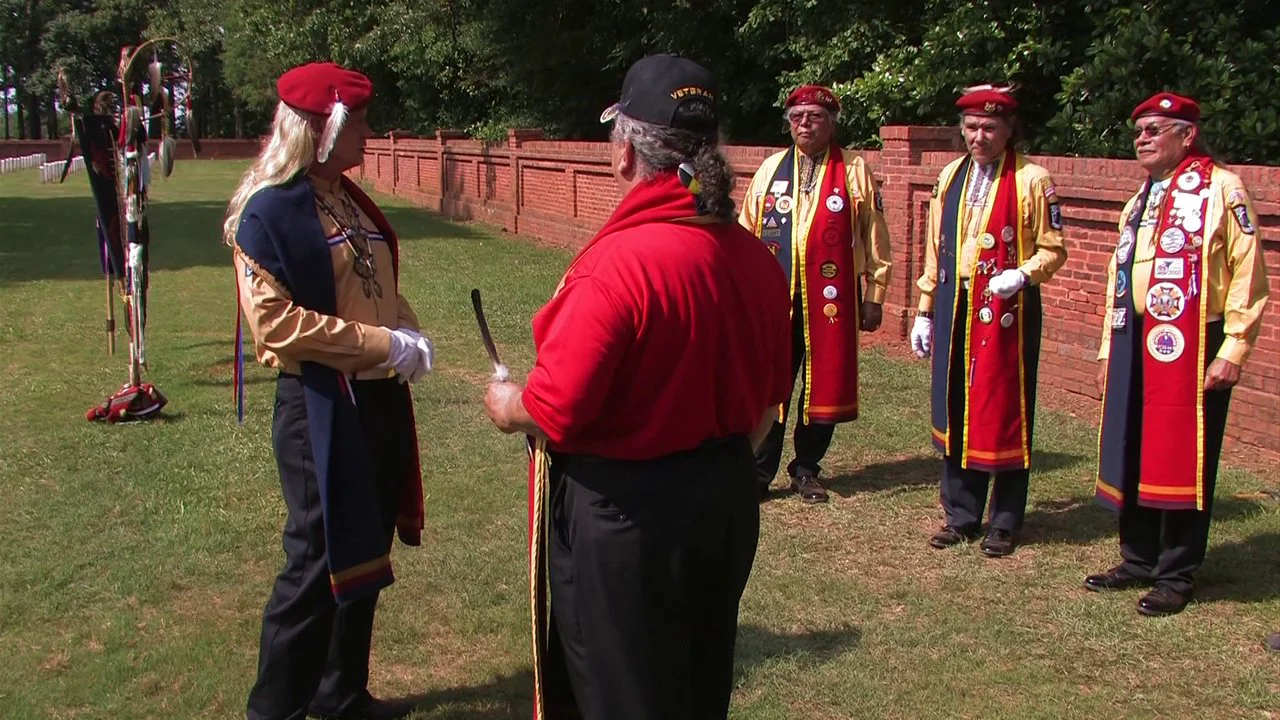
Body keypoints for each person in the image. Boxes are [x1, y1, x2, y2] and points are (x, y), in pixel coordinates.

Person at [481, 54, 791, 720]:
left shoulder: (618, 266)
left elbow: (556, 408)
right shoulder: (755, 260)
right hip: (725, 499)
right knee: (697, 684)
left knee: (624, 698)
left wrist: (509, 406)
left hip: (628, 518)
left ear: (625, 154)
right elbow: (768, 408)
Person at [227, 61, 434, 720]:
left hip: (376, 400)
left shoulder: (350, 198)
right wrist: (382, 345)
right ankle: (274, 711)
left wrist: (409, 330)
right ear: (325, 127)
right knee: (315, 563)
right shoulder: (269, 212)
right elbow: (275, 324)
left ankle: (340, 694)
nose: (370, 134)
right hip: (317, 405)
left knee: (364, 550)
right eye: (361, 121)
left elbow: (380, 287)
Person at [1088, 92, 1270, 617]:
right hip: (1133, 339)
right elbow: (1117, 280)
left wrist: (1233, 349)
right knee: (1132, 445)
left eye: (1154, 129)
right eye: (1138, 131)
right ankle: (1137, 557)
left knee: (1184, 455)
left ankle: (1176, 572)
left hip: (1194, 342)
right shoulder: (1139, 198)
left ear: (1187, 135)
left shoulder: (1221, 190)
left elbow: (1247, 275)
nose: (1140, 139)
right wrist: (1106, 348)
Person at [911, 85, 1067, 557]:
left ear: (1008, 130)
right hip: (955, 303)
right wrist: (924, 309)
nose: (979, 136)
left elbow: (1053, 247)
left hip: (1007, 310)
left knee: (1004, 406)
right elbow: (935, 246)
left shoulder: (1034, 180)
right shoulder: (950, 175)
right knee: (955, 403)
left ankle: (1005, 520)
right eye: (972, 127)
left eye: (989, 128)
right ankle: (960, 514)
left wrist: (1023, 274)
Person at [738, 84, 892, 503]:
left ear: (831, 123)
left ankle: (806, 468)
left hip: (832, 298)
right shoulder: (770, 169)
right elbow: (746, 232)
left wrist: (875, 293)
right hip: (776, 299)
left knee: (824, 381)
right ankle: (758, 471)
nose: (804, 123)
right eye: (797, 117)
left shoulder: (855, 170)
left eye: (814, 117)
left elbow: (873, 235)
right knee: (772, 382)